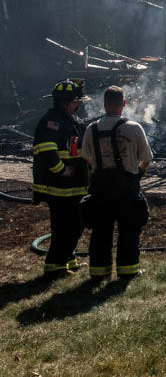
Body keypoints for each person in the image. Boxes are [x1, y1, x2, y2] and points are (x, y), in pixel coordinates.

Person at [79, 85, 153, 279]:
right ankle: (128, 271)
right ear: (124, 104)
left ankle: (99, 272)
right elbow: (146, 158)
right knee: (129, 230)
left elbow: (86, 157)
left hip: (100, 188)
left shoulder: (91, 129)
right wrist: (137, 175)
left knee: (101, 230)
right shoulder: (133, 128)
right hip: (127, 188)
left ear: (105, 104)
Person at [32, 79, 90, 277]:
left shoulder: (73, 122)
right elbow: (46, 153)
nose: (79, 105)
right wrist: (62, 170)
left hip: (74, 187)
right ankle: (55, 265)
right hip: (59, 186)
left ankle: (68, 258)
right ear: (64, 102)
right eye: (76, 101)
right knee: (68, 225)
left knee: (73, 224)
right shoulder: (52, 123)